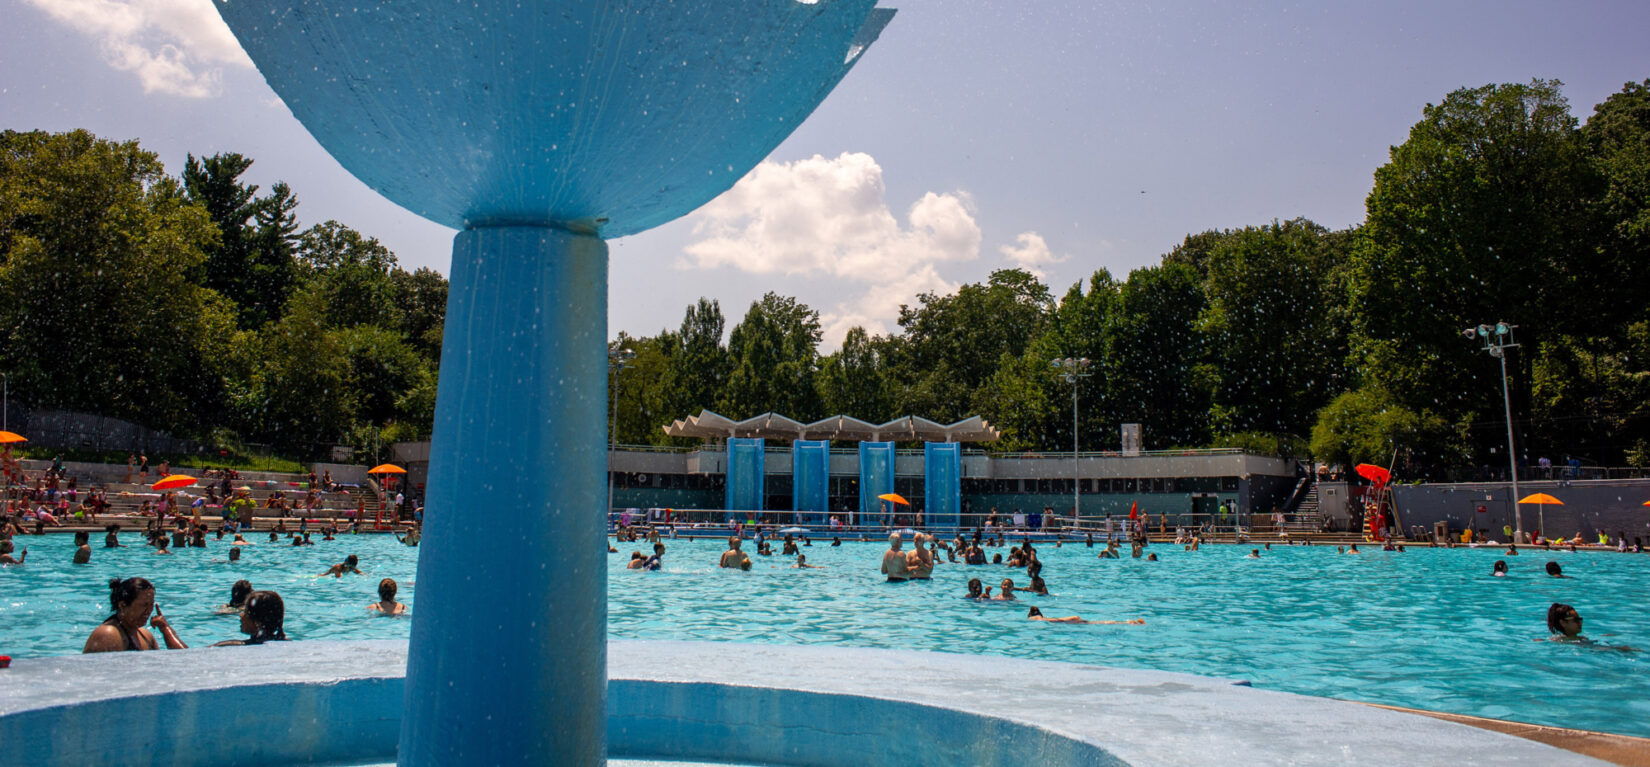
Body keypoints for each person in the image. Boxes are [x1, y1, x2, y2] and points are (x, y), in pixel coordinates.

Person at [84, 577, 187, 652]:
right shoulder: (108, 634)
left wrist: (165, 629)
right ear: (122, 605)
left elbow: (186, 660)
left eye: (151, 605)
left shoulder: (145, 636)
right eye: (144, 605)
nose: (149, 611)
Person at [212, 590, 288, 646]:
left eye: (245, 611)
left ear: (257, 622)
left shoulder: (226, 646)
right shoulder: (287, 645)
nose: (241, 615)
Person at [1027, 606, 1144, 625]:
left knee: (1096, 623)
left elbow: (1039, 620)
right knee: (1096, 623)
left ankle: (1129, 623)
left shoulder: (1035, 618)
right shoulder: (1043, 617)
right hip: (1070, 620)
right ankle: (1127, 622)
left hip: (1069, 621)